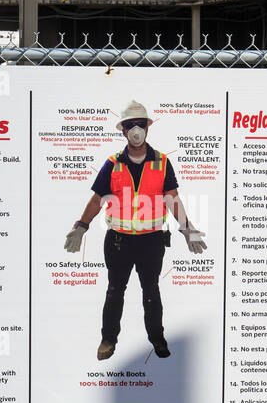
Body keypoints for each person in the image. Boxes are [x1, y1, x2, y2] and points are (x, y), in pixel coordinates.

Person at [65, 100, 207, 361]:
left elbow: (172, 199)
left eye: (140, 124)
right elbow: (97, 200)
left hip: (150, 242)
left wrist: (188, 228)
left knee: (151, 291)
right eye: (131, 125)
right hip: (118, 241)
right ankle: (108, 339)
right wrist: (81, 226)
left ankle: (157, 339)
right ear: (123, 130)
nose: (136, 130)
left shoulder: (162, 162)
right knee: (114, 291)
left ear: (148, 128)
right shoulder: (112, 164)